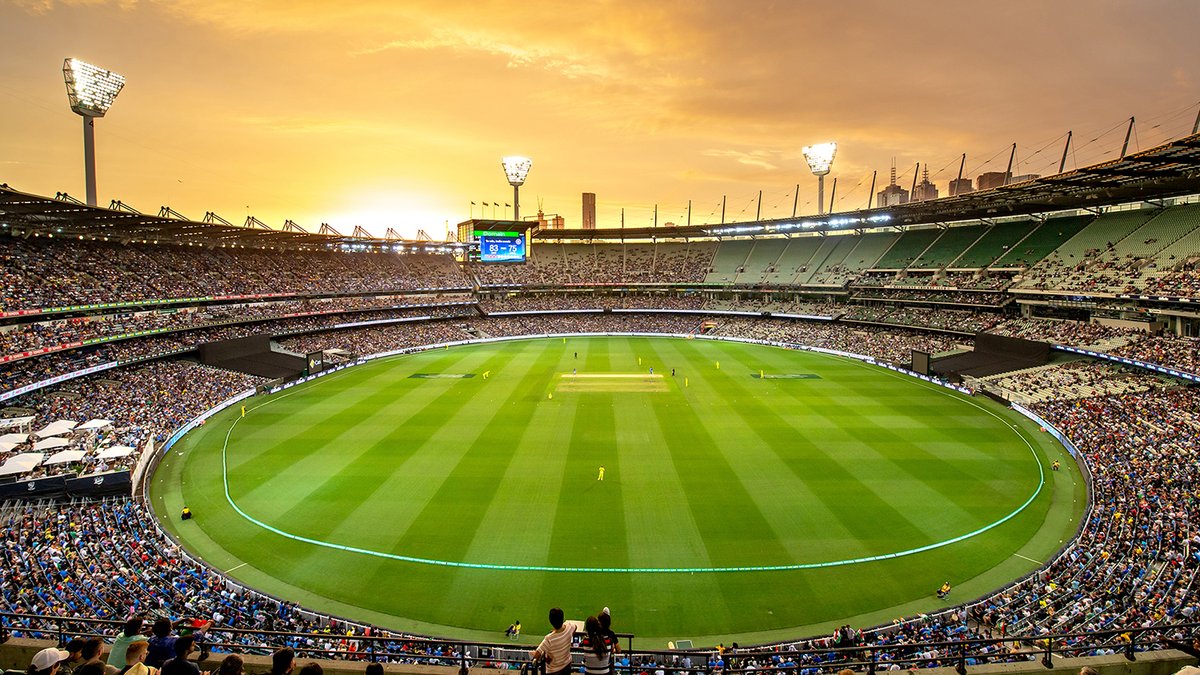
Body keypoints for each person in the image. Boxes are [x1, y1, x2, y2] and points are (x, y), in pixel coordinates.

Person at [530, 607, 575, 675]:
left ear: (550, 621)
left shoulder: (549, 639)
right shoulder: (569, 627)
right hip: (567, 666)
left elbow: (536, 656)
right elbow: (575, 627)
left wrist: (545, 658)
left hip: (553, 671)